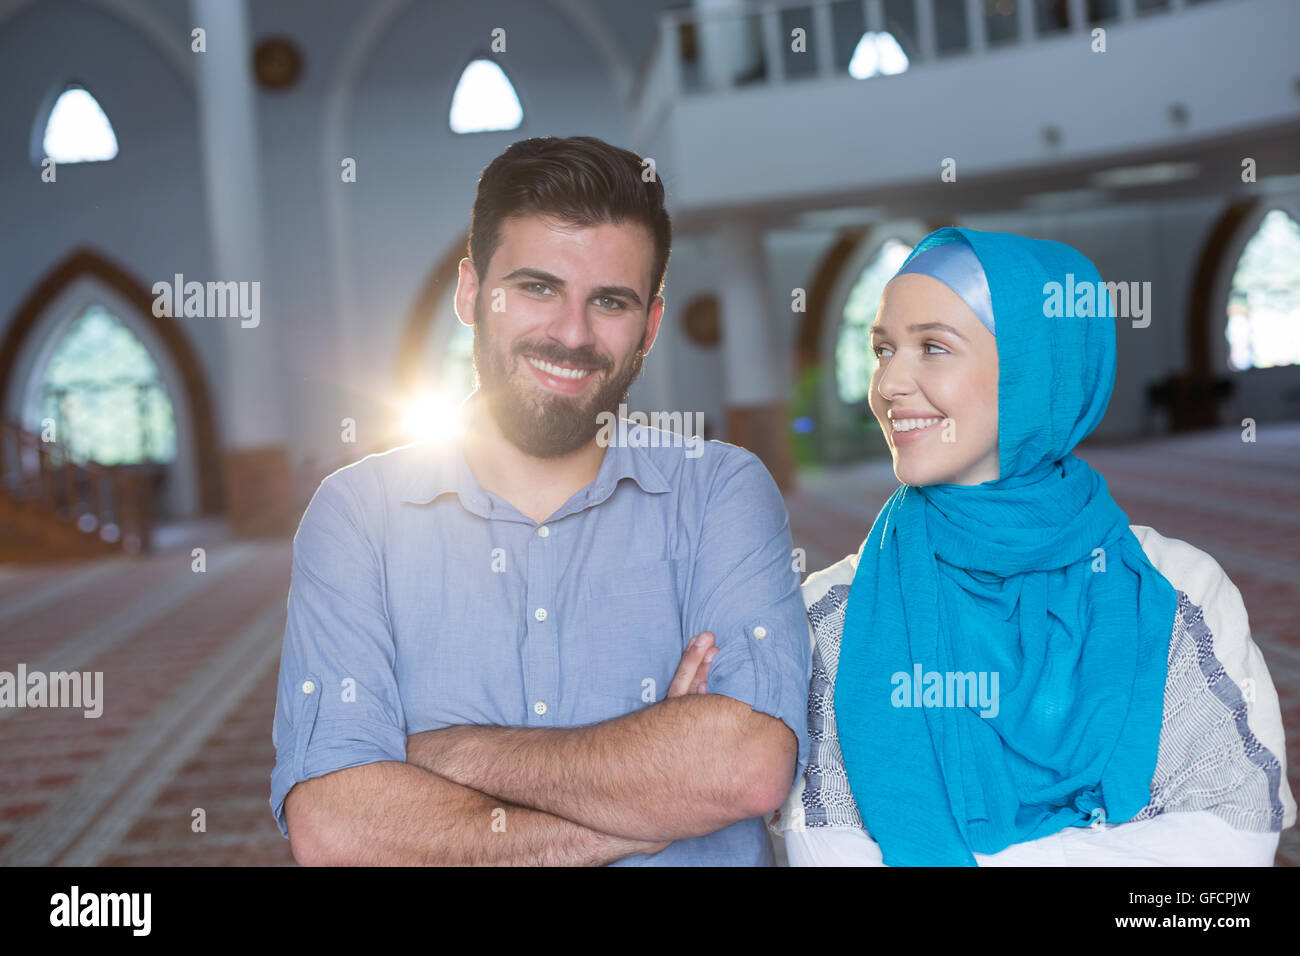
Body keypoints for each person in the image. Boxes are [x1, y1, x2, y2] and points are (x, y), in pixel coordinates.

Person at [270, 135, 811, 866]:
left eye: (610, 302)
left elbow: (745, 767)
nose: (572, 334)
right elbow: (338, 830)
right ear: (471, 293)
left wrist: (446, 755)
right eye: (537, 288)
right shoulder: (356, 515)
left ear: (649, 327)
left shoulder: (721, 490)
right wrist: (652, 802)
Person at [768, 226, 1295, 865]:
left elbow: (1233, 834)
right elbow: (827, 849)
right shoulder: (833, 614)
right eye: (882, 350)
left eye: (933, 347)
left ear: (1034, 367)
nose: (887, 386)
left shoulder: (1172, 586)